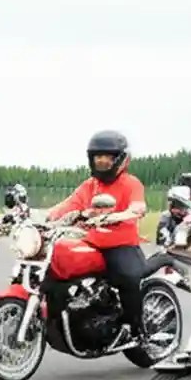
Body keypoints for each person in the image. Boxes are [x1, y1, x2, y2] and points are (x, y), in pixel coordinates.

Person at [45, 130, 151, 345]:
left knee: (128, 277)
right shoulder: (89, 185)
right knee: (55, 266)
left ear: (120, 159)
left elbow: (138, 207)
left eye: (107, 156)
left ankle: (135, 328)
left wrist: (124, 214)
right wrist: (45, 217)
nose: (102, 161)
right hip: (90, 240)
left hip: (120, 242)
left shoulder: (131, 183)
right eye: (98, 156)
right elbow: (68, 205)